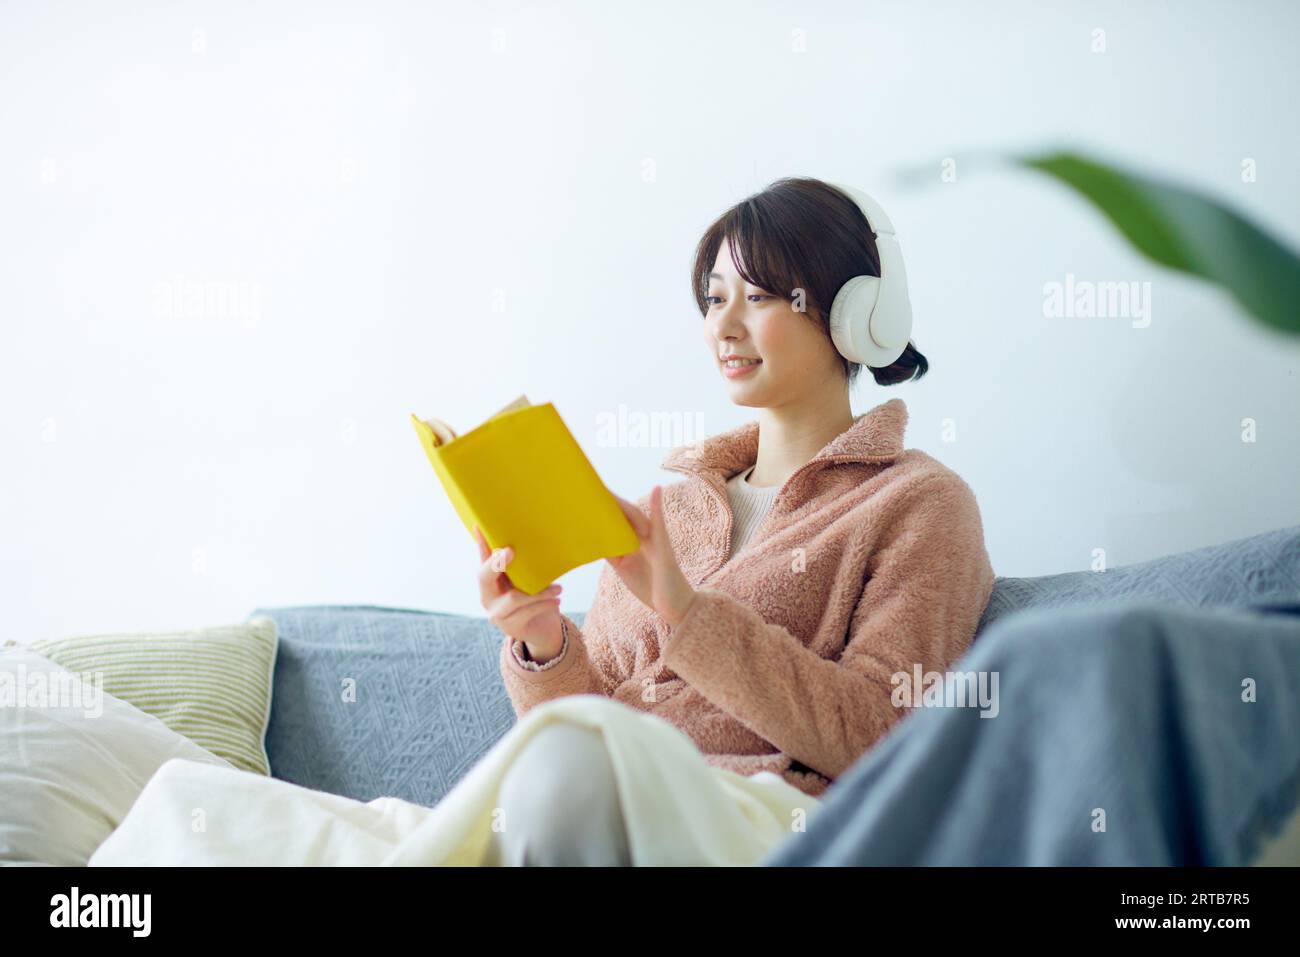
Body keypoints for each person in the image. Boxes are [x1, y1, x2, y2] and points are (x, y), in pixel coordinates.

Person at [476, 176, 998, 866]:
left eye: (756, 297)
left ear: (853, 312)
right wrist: (544, 643)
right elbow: (584, 727)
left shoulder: (920, 503)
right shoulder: (674, 509)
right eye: (715, 298)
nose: (723, 325)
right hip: (606, 806)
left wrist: (688, 612)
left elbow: (889, 732)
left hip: (769, 818)